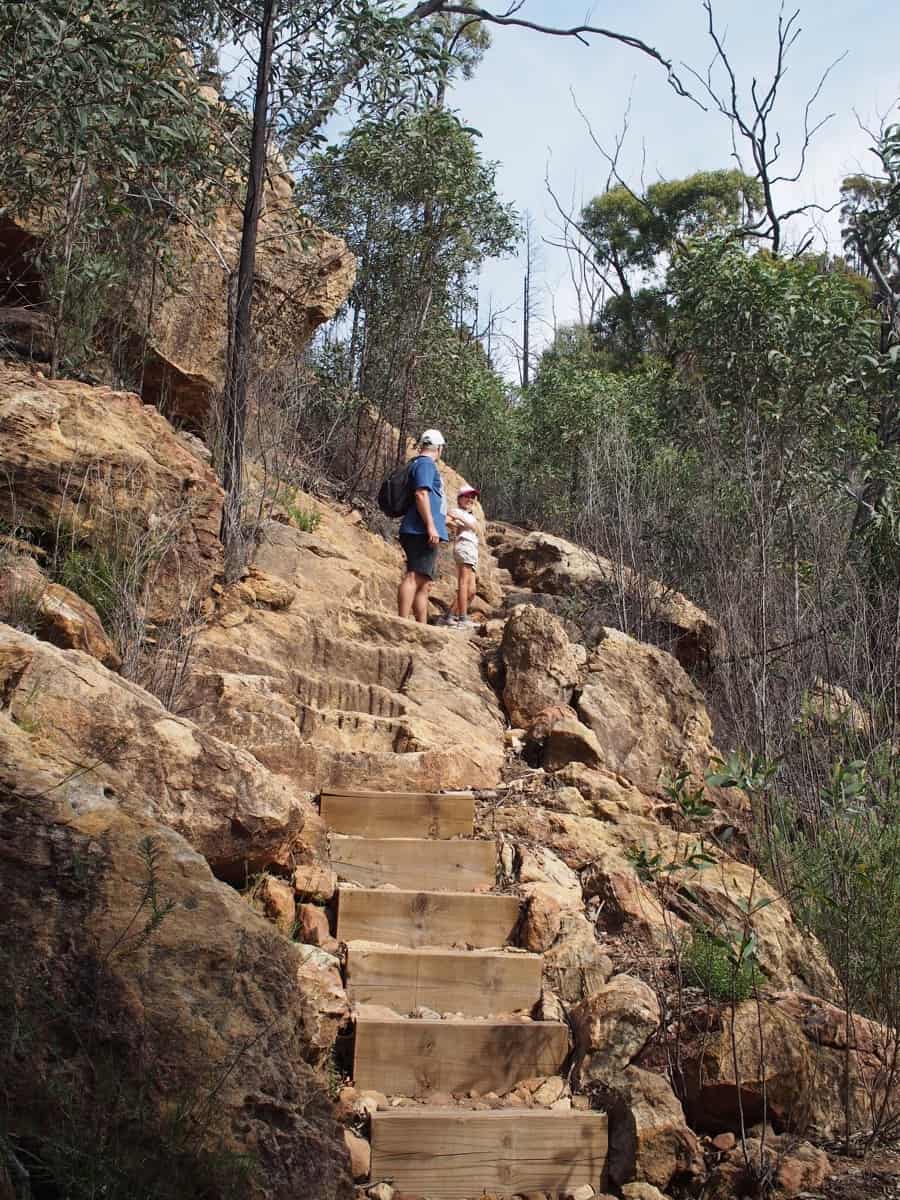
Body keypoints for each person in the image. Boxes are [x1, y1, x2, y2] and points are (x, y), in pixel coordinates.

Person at [397, 429, 448, 623]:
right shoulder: (426, 464)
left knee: (425, 582)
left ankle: (422, 626)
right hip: (420, 530)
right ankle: (401, 622)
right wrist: (431, 526)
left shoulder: (420, 464)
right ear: (439, 448)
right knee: (414, 577)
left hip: (422, 529)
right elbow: (421, 494)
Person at [442, 485, 481, 628]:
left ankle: (449, 615)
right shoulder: (456, 511)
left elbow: (475, 528)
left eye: (472, 497)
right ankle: (463, 619)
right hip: (464, 546)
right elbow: (446, 520)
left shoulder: (469, 514)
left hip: (471, 548)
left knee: (472, 590)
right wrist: (461, 523)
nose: (470, 499)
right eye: (467, 496)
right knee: (464, 583)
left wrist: (463, 523)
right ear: (459, 498)